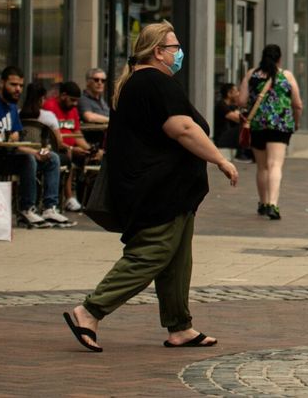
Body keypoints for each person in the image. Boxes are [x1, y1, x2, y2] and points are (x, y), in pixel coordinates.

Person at [62, 22, 239, 352]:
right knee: (152, 253)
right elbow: (183, 128)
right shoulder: (152, 82)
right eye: (174, 48)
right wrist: (221, 160)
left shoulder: (143, 82)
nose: (179, 53)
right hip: (159, 191)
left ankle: (180, 326)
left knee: (176, 259)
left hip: (173, 192)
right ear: (158, 51)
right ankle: (90, 311)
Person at [0, 65, 67, 228]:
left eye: (21, 86)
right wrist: (0, 137)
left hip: (7, 153)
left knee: (52, 158)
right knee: (27, 160)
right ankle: (26, 209)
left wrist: (36, 152)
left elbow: (14, 142)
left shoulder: (13, 107)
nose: (18, 89)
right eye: (13, 85)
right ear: (2, 83)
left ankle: (49, 208)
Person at [244, 44, 302, 221]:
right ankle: (273, 204)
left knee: (262, 167)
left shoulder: (252, 74)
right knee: (275, 165)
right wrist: (296, 122)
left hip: (257, 125)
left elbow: (240, 99)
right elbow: (297, 104)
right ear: (279, 59)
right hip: (281, 125)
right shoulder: (286, 76)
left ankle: (262, 203)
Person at [44, 81, 100, 212]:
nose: (75, 104)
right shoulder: (49, 107)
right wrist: (71, 148)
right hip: (56, 148)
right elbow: (51, 138)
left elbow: (76, 133)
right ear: (63, 95)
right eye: (72, 100)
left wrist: (89, 149)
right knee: (68, 157)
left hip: (73, 148)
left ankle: (87, 200)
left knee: (93, 157)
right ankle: (69, 197)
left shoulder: (72, 110)